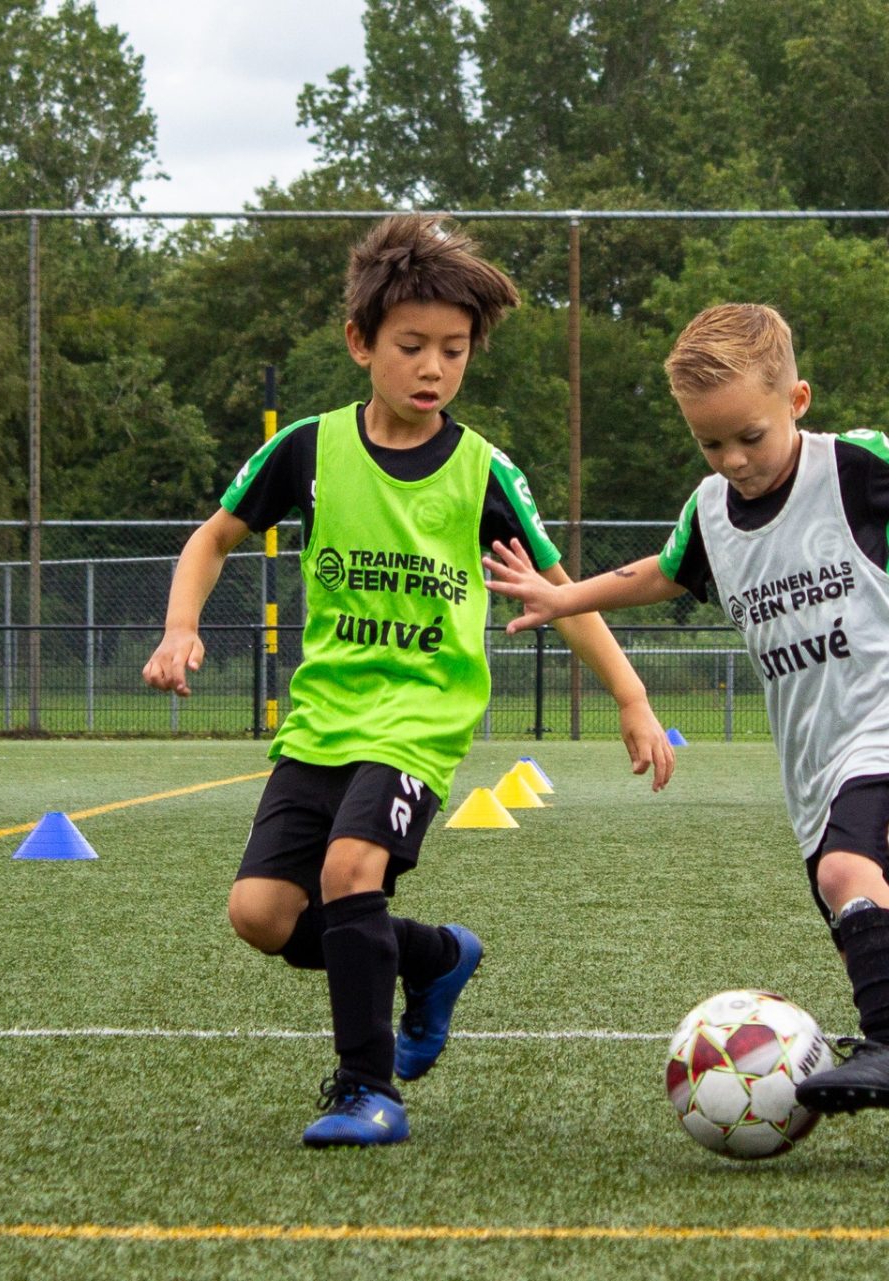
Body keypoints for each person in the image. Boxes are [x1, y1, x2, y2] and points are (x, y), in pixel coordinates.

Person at [486, 303, 889, 1142]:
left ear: (797, 400)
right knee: (870, 929)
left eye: (750, 436)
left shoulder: (850, 466)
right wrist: (565, 595)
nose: (733, 459)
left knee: (852, 874)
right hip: (812, 757)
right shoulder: (711, 510)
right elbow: (660, 572)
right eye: (711, 444)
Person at [142, 214, 675, 1149]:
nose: (435, 367)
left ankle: (367, 1088)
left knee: (353, 871)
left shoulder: (481, 473)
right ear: (361, 343)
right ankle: (434, 956)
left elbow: (561, 589)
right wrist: (181, 625)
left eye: (455, 350)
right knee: (261, 915)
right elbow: (212, 537)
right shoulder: (307, 450)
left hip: (421, 717)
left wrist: (631, 697)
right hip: (324, 715)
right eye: (413, 346)